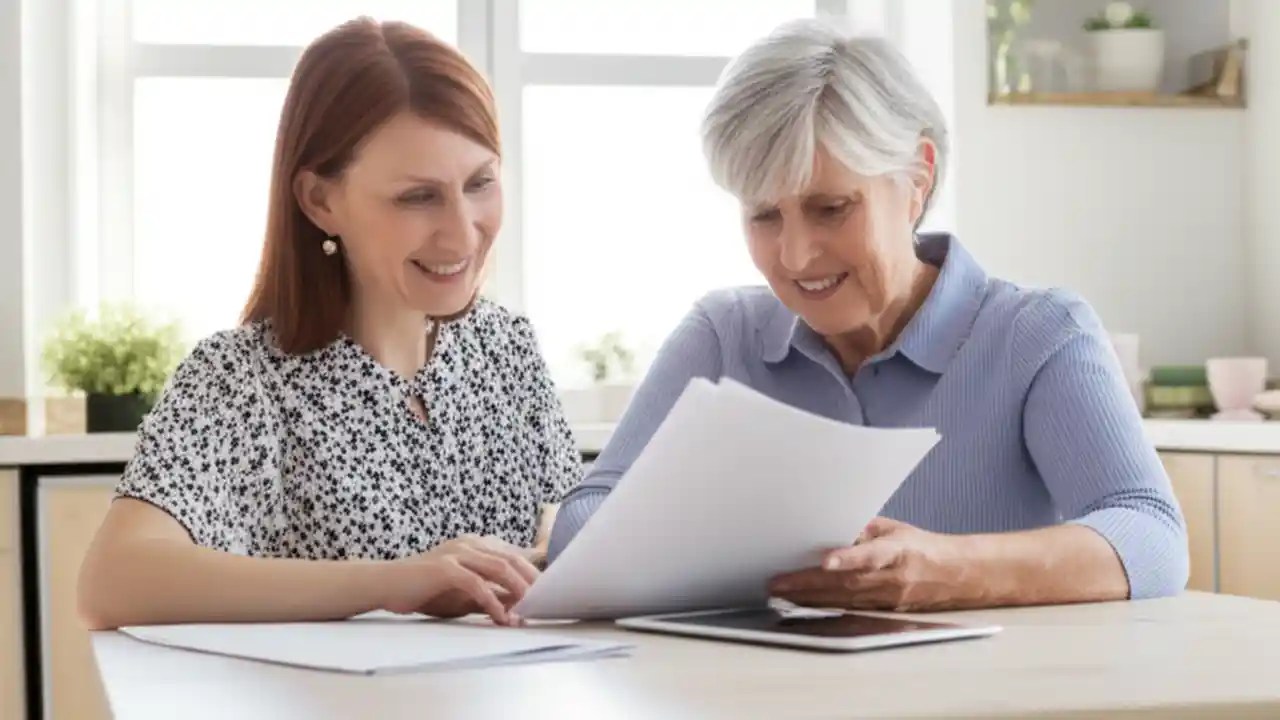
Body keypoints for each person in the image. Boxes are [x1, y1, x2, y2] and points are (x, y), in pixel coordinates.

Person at [548, 20, 1188, 610]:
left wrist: (949, 567)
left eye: (831, 209)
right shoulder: (723, 338)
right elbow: (581, 528)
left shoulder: (1037, 335)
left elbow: (1152, 536)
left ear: (917, 178)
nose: (795, 256)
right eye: (763, 216)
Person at [78, 18, 581, 630]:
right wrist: (396, 583)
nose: (463, 230)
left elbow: (565, 525)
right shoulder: (241, 381)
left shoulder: (507, 349)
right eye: (417, 197)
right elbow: (111, 582)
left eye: (481, 183)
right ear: (320, 201)